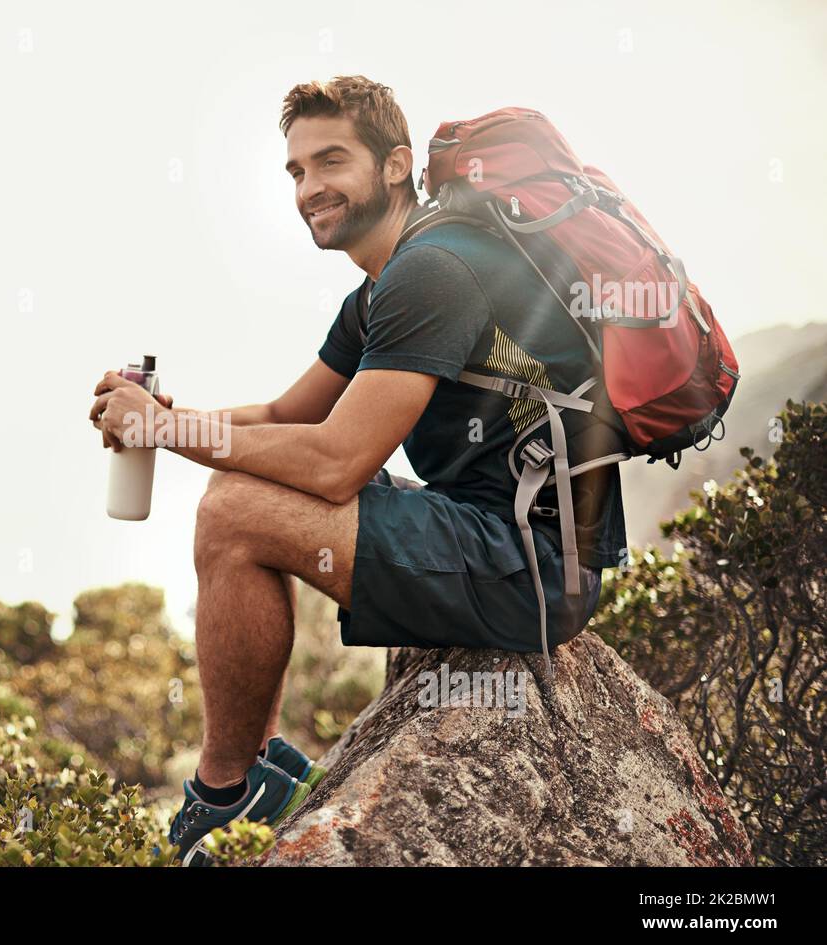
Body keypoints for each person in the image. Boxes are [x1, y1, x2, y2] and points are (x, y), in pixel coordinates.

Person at [88, 75, 624, 866]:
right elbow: (285, 415)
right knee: (237, 489)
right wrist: (167, 414)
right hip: (493, 535)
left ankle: (223, 796)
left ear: (395, 165)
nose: (309, 187)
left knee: (234, 513)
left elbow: (337, 461)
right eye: (297, 170)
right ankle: (261, 768)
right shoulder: (381, 289)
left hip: (534, 568)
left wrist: (164, 431)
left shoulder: (434, 270)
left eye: (331, 161)